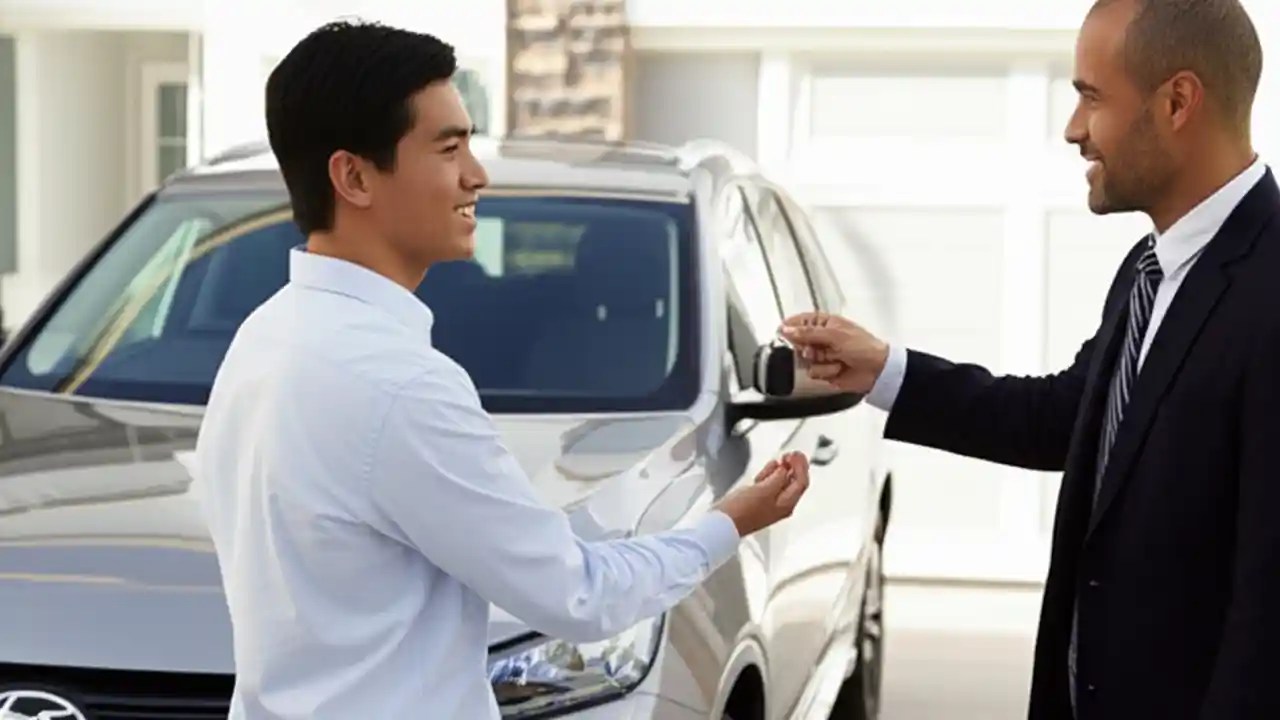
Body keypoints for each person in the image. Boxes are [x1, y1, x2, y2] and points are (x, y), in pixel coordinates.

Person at [193, 20, 811, 720]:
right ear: (354, 177)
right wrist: (730, 521)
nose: (476, 175)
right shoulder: (400, 386)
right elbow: (580, 595)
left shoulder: (263, 339)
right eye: (448, 147)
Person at [781, 0, 1279, 718]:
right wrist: (886, 370)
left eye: (1091, 97)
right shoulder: (1149, 271)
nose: (1073, 129)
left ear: (1177, 101)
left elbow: (1267, 614)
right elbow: (1065, 418)